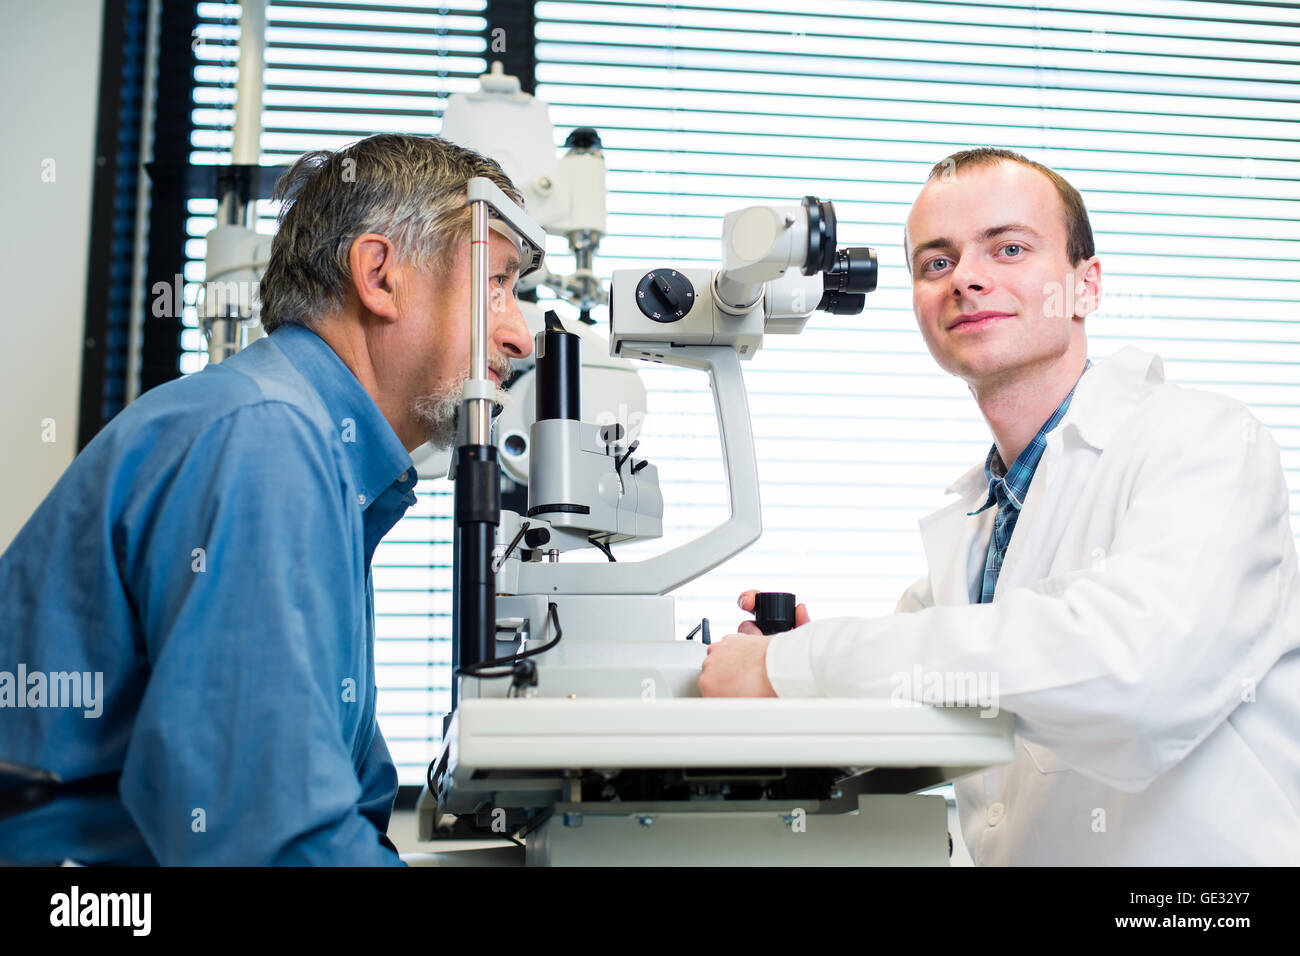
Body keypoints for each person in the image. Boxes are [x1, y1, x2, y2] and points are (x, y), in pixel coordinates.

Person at [698, 148, 1300, 865]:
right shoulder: (977, 527)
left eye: (1008, 248)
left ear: (1086, 286)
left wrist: (795, 664)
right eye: (936, 263)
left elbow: (1131, 677)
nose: (968, 279)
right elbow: (934, 684)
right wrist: (801, 678)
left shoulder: (1204, 443)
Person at [0, 134, 533, 864]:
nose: (521, 335)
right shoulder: (268, 439)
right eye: (497, 285)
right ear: (379, 275)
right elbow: (265, 836)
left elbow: (348, 801)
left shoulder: (320, 458)